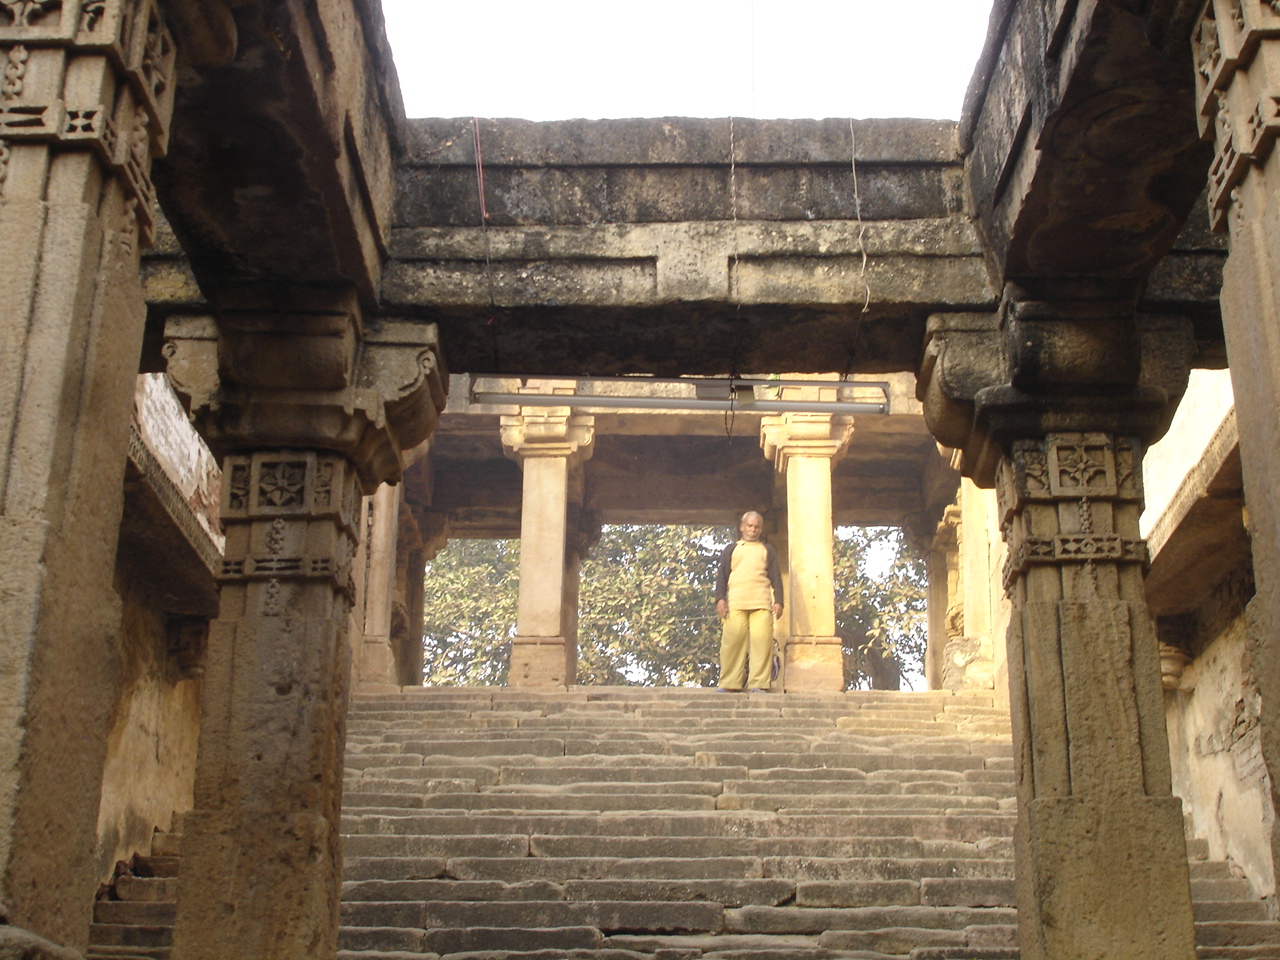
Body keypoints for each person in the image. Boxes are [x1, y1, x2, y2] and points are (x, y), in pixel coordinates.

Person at [714, 511, 784, 692]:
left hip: (761, 602)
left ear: (761, 529)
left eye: (756, 527)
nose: (753, 530)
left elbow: (776, 576)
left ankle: (758, 684)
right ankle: (729, 683)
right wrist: (720, 599)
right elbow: (722, 575)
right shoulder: (731, 549)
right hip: (736, 602)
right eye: (749, 526)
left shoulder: (767, 550)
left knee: (762, 644)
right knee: (731, 644)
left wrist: (779, 601)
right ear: (742, 527)